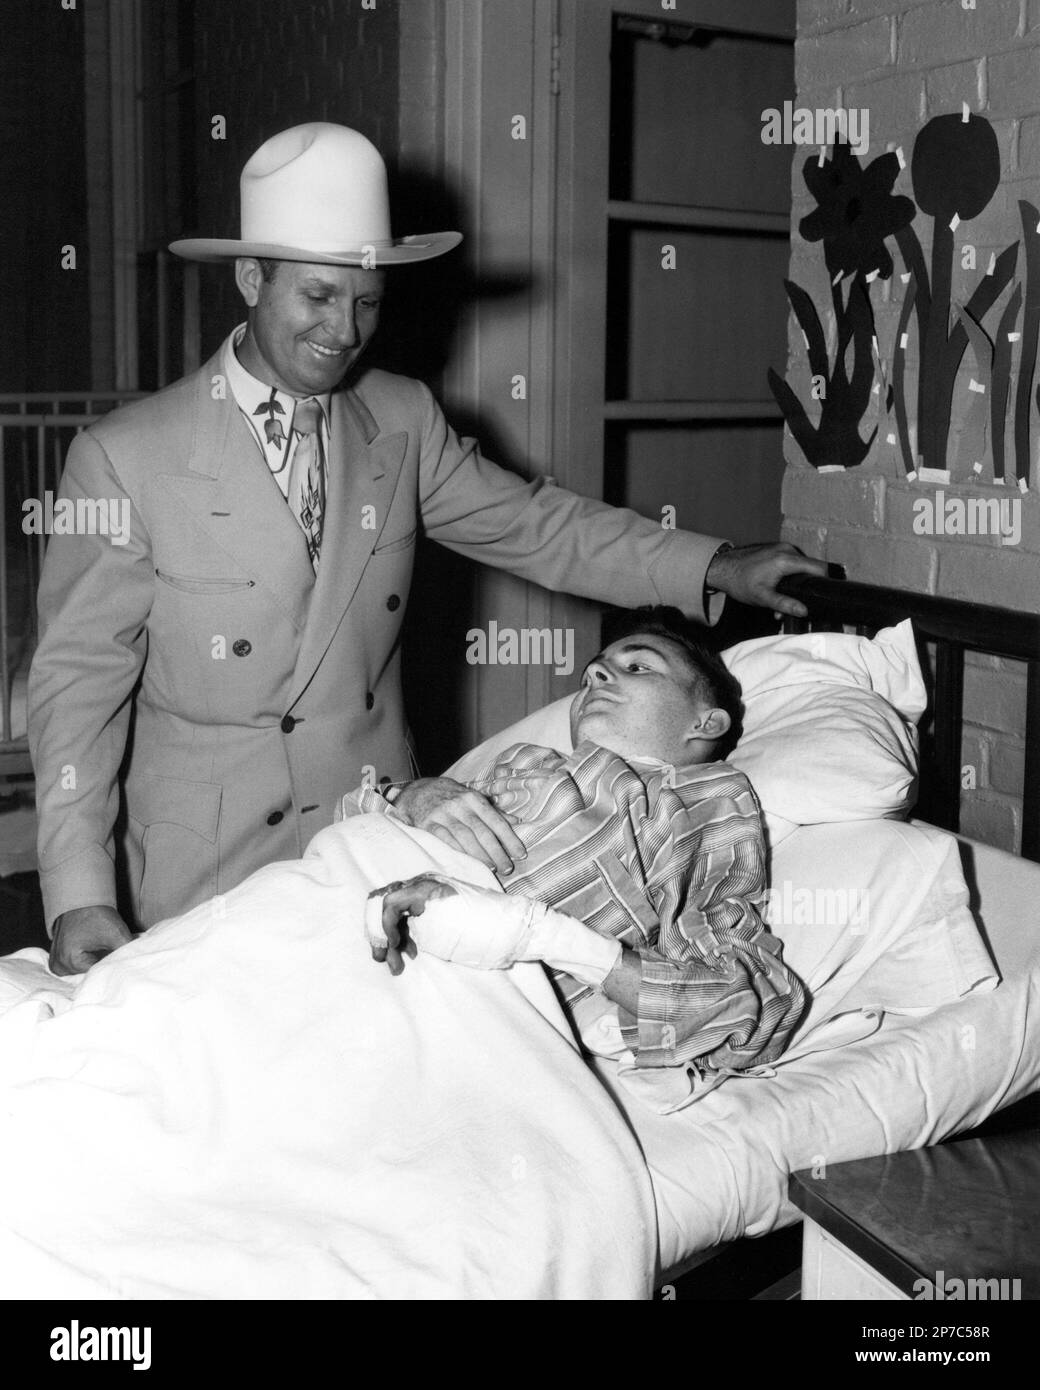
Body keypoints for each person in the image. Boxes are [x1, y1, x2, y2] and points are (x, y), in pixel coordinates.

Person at [30, 123, 826, 977]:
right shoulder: (125, 457)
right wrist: (81, 894)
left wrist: (714, 565)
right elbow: (79, 688)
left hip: (379, 845)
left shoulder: (402, 421)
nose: (347, 330)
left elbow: (538, 525)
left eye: (367, 300)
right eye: (319, 297)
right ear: (250, 277)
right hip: (202, 873)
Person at [363, 608, 806, 1089]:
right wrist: (409, 795)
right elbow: (356, 818)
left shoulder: (701, 800)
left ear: (706, 722)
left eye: (638, 666)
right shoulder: (522, 762)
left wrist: (541, 937)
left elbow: (751, 1009)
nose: (594, 674)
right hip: (344, 900)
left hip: (436, 1007)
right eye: (592, 670)